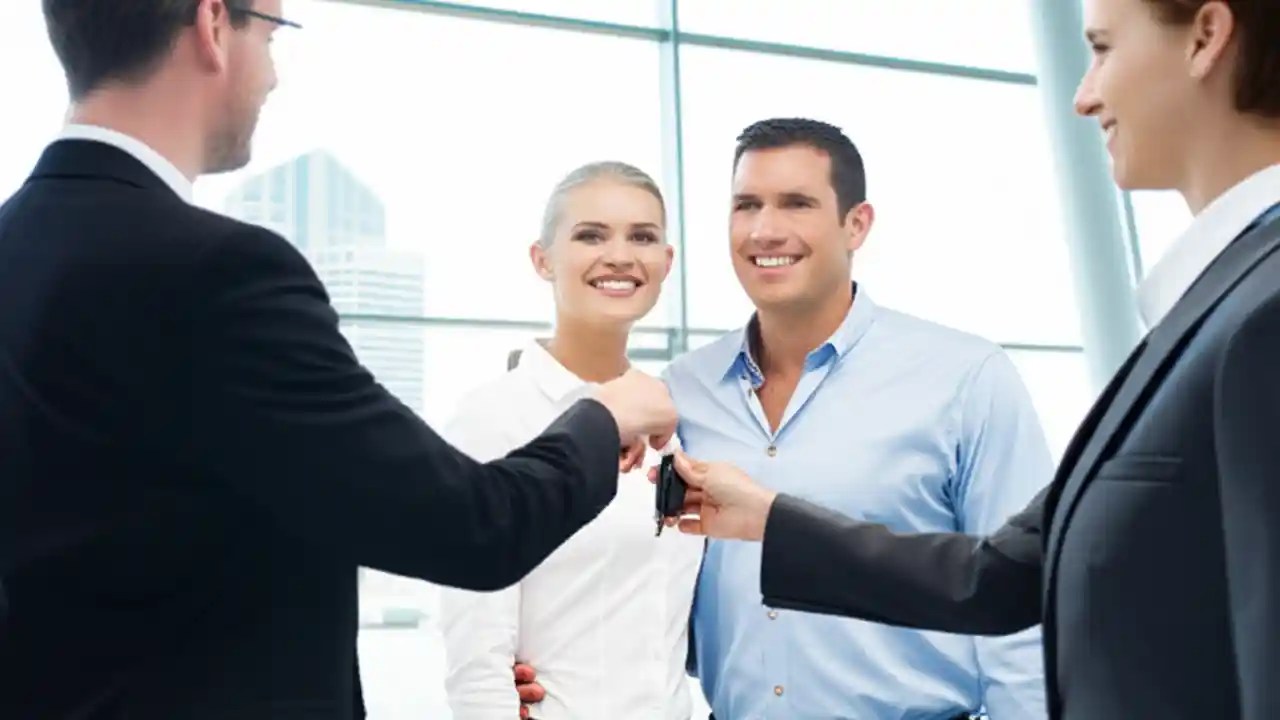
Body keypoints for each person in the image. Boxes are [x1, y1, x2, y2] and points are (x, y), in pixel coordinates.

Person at [0, 2, 677, 718]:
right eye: (271, 32)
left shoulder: (15, 251)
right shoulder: (219, 271)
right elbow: (474, 525)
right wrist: (604, 415)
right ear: (212, 25)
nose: (272, 76)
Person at [661, 1, 1280, 718]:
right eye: (746, 205)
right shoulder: (1207, 306)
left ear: (1206, 37)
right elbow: (1002, 575)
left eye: (1104, 48)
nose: (1082, 95)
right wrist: (770, 519)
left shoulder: (1259, 308)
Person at [518, 118, 1055, 719]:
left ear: (857, 224)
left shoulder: (965, 379)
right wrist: (548, 671)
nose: (764, 229)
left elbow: (1025, 609)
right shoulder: (681, 395)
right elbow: (642, 586)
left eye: (796, 204)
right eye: (746, 205)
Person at [438, 161, 704, 720]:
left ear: (666, 262)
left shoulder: (676, 422)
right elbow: (476, 655)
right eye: (590, 235)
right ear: (543, 259)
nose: (621, 255)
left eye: (643, 237)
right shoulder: (494, 418)